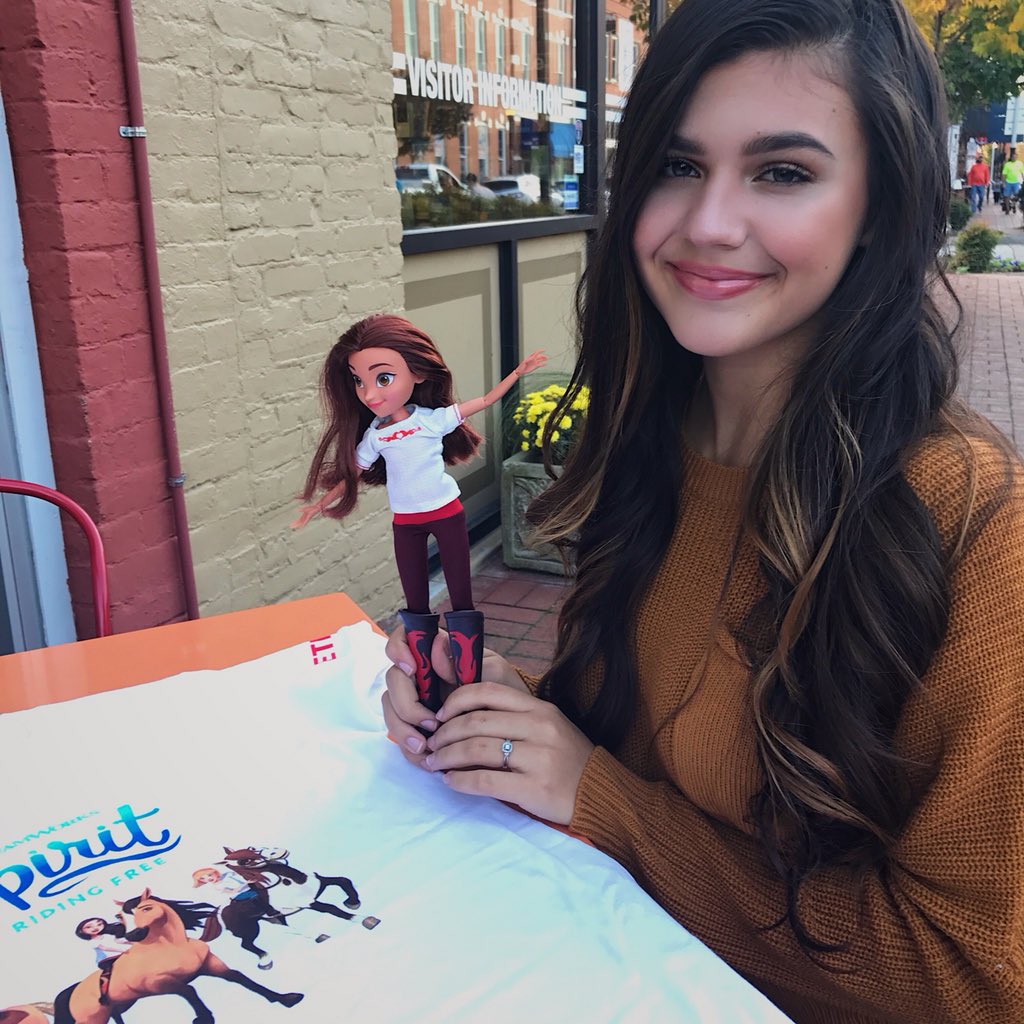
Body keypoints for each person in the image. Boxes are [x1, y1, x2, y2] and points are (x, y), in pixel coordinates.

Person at [381, 1, 1024, 1021]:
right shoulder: (649, 441)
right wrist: (507, 713)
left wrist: (604, 803)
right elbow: (654, 749)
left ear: (880, 206)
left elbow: (975, 975)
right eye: (678, 165)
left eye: (783, 172)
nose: (710, 222)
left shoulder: (971, 521)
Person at [294, 314, 546, 701]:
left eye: (383, 378)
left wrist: (518, 372)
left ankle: (469, 685)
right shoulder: (375, 437)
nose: (369, 394)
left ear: (418, 373)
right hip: (406, 524)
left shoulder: (433, 420)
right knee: (416, 606)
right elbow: (352, 476)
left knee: (461, 599)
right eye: (359, 381)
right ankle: (427, 688)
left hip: (446, 514)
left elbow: (485, 401)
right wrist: (318, 505)